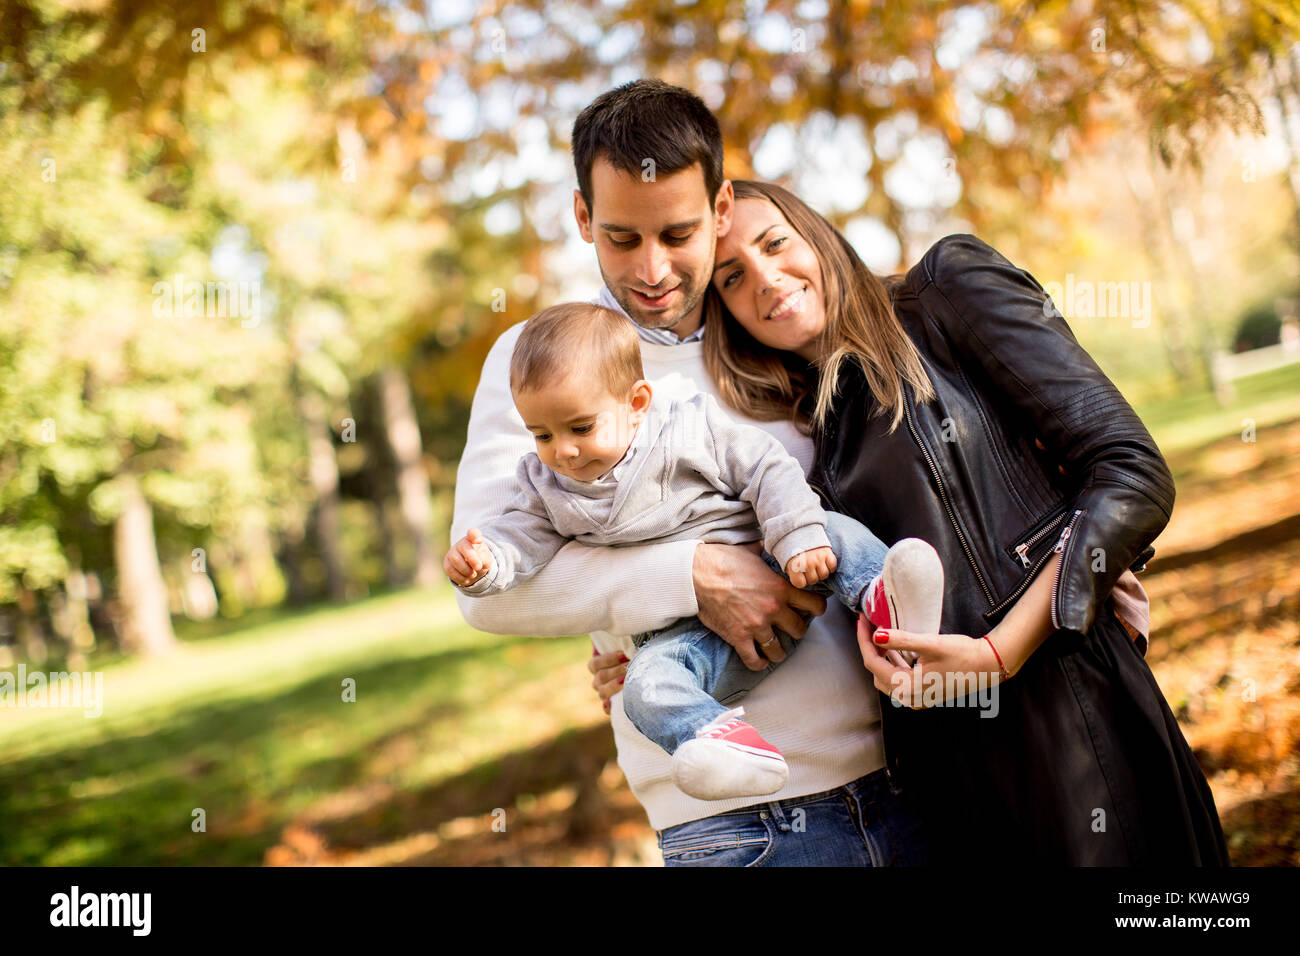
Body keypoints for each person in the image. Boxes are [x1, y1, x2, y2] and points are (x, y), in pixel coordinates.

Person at [450, 80, 930, 866]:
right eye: (620, 238)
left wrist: (1058, 555)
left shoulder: (771, 324)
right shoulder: (542, 365)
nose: (653, 269)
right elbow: (492, 596)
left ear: (720, 210)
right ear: (582, 218)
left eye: (677, 234)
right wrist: (693, 574)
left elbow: (904, 476)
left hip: (915, 772)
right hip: (743, 827)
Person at [694, 177, 1230, 865]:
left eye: (775, 244)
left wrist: (1001, 650)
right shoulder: (798, 434)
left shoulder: (943, 291)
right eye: (733, 277)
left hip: (1067, 719)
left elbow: (1129, 470)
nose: (766, 280)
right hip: (941, 776)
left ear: (817, 234)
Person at [446, 301, 943, 801]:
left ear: (637, 403)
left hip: (782, 570)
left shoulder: (687, 429)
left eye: (581, 428)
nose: (563, 452)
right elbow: (521, 536)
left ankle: (888, 601)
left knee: (830, 529)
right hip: (684, 640)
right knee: (646, 689)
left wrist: (795, 538)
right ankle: (720, 742)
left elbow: (766, 467)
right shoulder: (545, 486)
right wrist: (488, 562)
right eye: (542, 435)